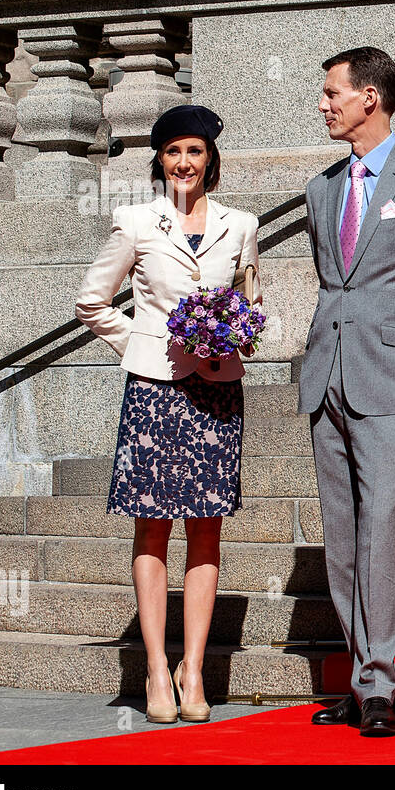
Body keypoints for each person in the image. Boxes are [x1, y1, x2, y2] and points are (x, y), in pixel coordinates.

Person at [76, 104, 261, 725]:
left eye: (196, 151)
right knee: (152, 526)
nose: (185, 162)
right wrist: (141, 343)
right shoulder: (134, 221)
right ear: (159, 159)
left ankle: (194, 667)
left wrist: (235, 333)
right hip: (154, 389)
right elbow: (91, 301)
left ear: (211, 160)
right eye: (174, 151)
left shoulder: (241, 224)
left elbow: (251, 303)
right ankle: (157, 666)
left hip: (216, 391)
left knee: (206, 527)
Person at [299, 47, 395, 738]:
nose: (324, 103)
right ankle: (362, 677)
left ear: (371, 98)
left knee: (379, 527)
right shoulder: (322, 187)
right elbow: (335, 281)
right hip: (327, 374)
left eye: (334, 93)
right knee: (340, 536)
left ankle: (383, 682)